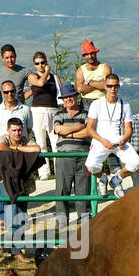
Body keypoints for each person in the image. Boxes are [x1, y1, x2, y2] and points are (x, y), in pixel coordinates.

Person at [0, 116, 44, 257]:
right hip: (5, 181)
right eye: (14, 130)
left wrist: (15, 149)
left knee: (22, 215)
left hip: (23, 181)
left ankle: (15, 247)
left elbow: (36, 148)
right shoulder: (3, 138)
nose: (17, 133)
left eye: (19, 130)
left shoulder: (26, 139)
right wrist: (21, 150)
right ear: (8, 130)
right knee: (12, 213)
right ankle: (15, 250)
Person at [85, 73, 139, 195]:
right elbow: (89, 129)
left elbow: (129, 129)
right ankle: (102, 178)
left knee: (136, 162)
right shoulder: (96, 104)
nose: (113, 89)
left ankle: (117, 180)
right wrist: (102, 140)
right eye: (110, 86)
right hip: (101, 141)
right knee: (90, 165)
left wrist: (124, 139)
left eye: (115, 86)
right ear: (105, 86)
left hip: (119, 141)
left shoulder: (125, 105)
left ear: (118, 87)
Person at [51, 83, 92, 222]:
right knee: (62, 189)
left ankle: (84, 219)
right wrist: (80, 126)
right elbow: (58, 130)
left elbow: (88, 131)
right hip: (64, 156)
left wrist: (69, 133)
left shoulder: (87, 113)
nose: (68, 99)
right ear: (62, 100)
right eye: (66, 97)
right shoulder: (59, 114)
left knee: (84, 189)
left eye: (71, 96)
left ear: (76, 96)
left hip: (83, 156)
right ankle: (62, 220)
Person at [25, 52, 59, 176]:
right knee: (41, 142)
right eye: (37, 63)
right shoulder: (32, 77)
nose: (40, 65)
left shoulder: (54, 77)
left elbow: (60, 92)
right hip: (38, 110)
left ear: (46, 62)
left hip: (53, 110)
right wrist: (46, 72)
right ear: (34, 65)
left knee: (56, 142)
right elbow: (40, 83)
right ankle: (44, 172)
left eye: (42, 62)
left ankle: (58, 170)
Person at [0, 80, 32, 145]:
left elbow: (29, 129)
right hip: (3, 148)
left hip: (22, 147)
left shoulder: (26, 109)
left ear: (15, 91)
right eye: (6, 92)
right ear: (2, 93)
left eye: (12, 91)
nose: (10, 94)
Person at [75, 40, 111, 104]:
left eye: (92, 53)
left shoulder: (105, 67)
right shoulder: (80, 70)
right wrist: (99, 84)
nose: (90, 56)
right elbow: (80, 89)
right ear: (84, 56)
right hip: (86, 102)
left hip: (102, 100)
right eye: (87, 54)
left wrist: (89, 82)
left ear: (95, 53)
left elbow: (106, 85)